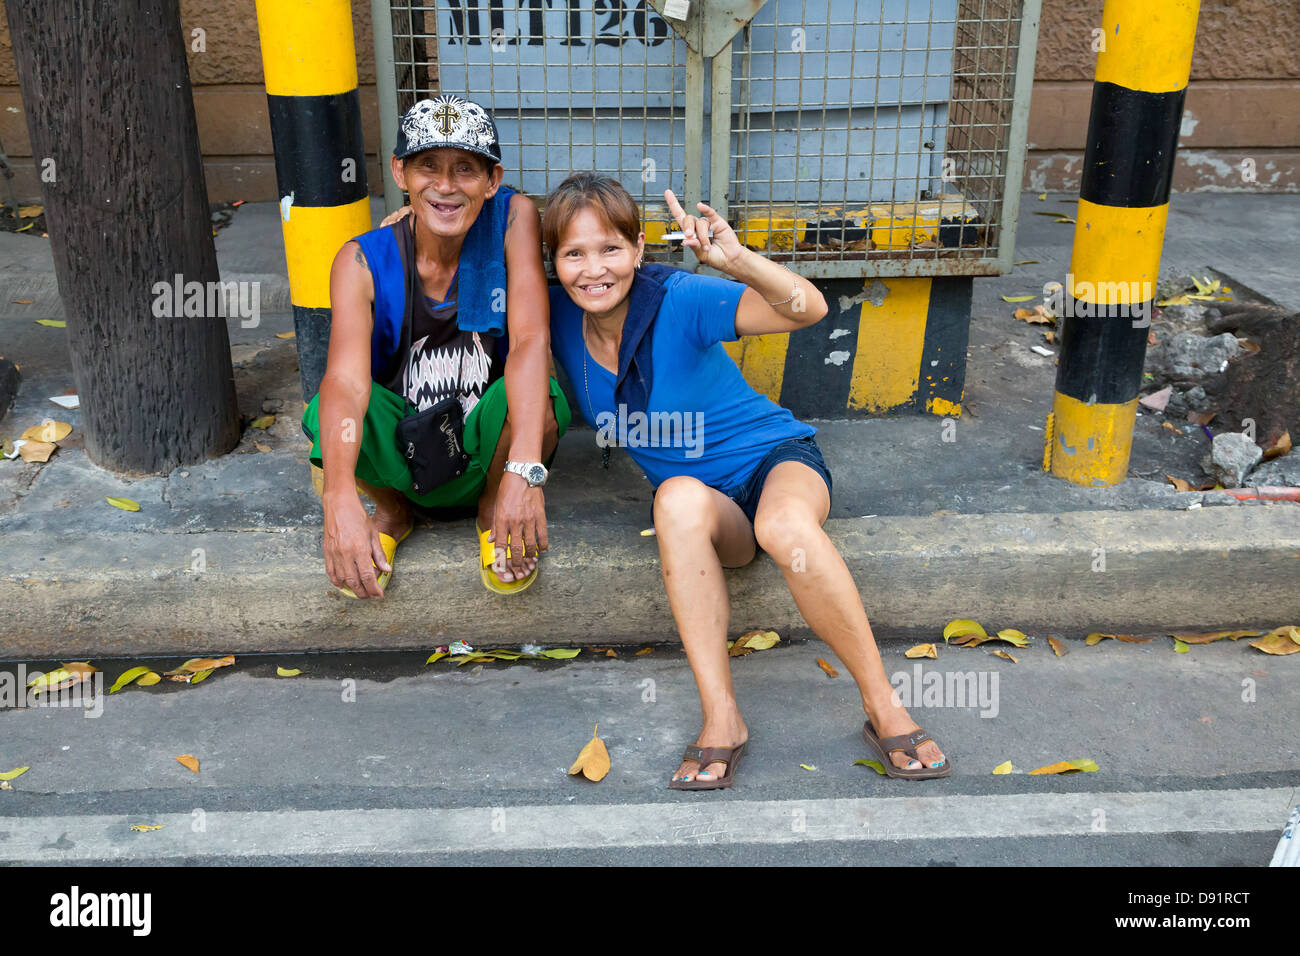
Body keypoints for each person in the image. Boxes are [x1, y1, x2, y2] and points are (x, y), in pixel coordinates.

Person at [542, 172, 949, 788]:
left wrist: (738, 261)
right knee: (673, 498)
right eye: (574, 253)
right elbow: (493, 225)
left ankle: (883, 706)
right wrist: (409, 219)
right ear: (553, 262)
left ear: (638, 250)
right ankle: (722, 718)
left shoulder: (677, 297)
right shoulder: (552, 316)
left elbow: (806, 308)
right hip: (709, 508)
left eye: (610, 249)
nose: (593, 269)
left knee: (783, 523)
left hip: (774, 461)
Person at [302, 95, 570, 599]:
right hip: (406, 451)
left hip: (486, 449)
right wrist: (338, 499)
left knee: (540, 394)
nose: (446, 186)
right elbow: (346, 381)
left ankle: (494, 509)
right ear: (401, 174)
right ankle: (394, 511)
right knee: (327, 411)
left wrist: (525, 472)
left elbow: (532, 341)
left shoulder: (512, 219)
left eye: (466, 169)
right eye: (428, 166)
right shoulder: (360, 261)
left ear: (492, 182)